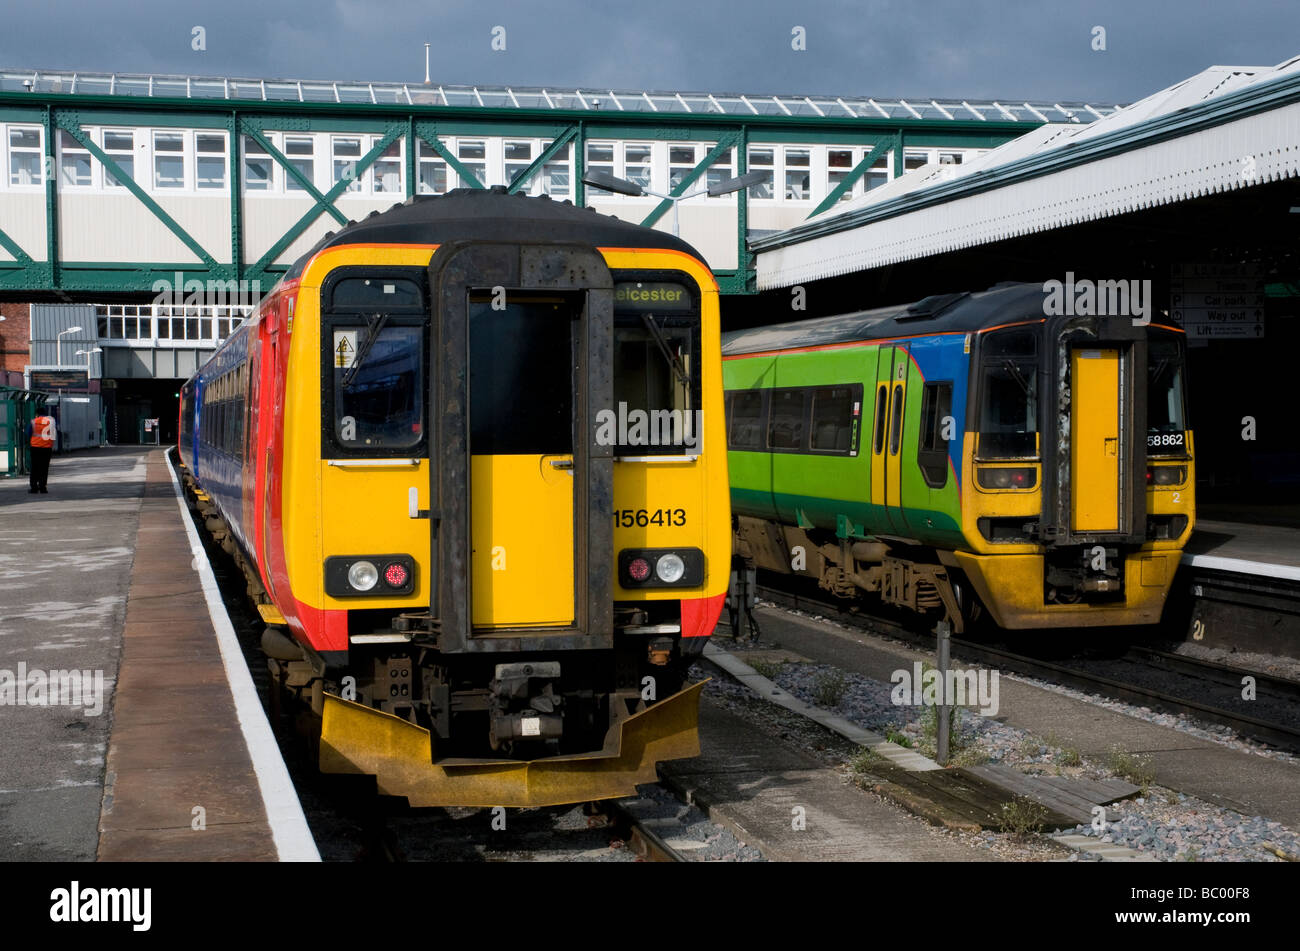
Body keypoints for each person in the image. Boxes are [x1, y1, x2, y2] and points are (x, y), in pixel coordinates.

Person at [26, 411, 56, 494]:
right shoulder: (51, 422)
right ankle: (43, 487)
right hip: (46, 448)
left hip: (35, 448)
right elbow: (53, 435)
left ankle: (34, 488)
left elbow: (28, 433)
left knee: (34, 468)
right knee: (44, 468)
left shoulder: (34, 421)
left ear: (37, 414)